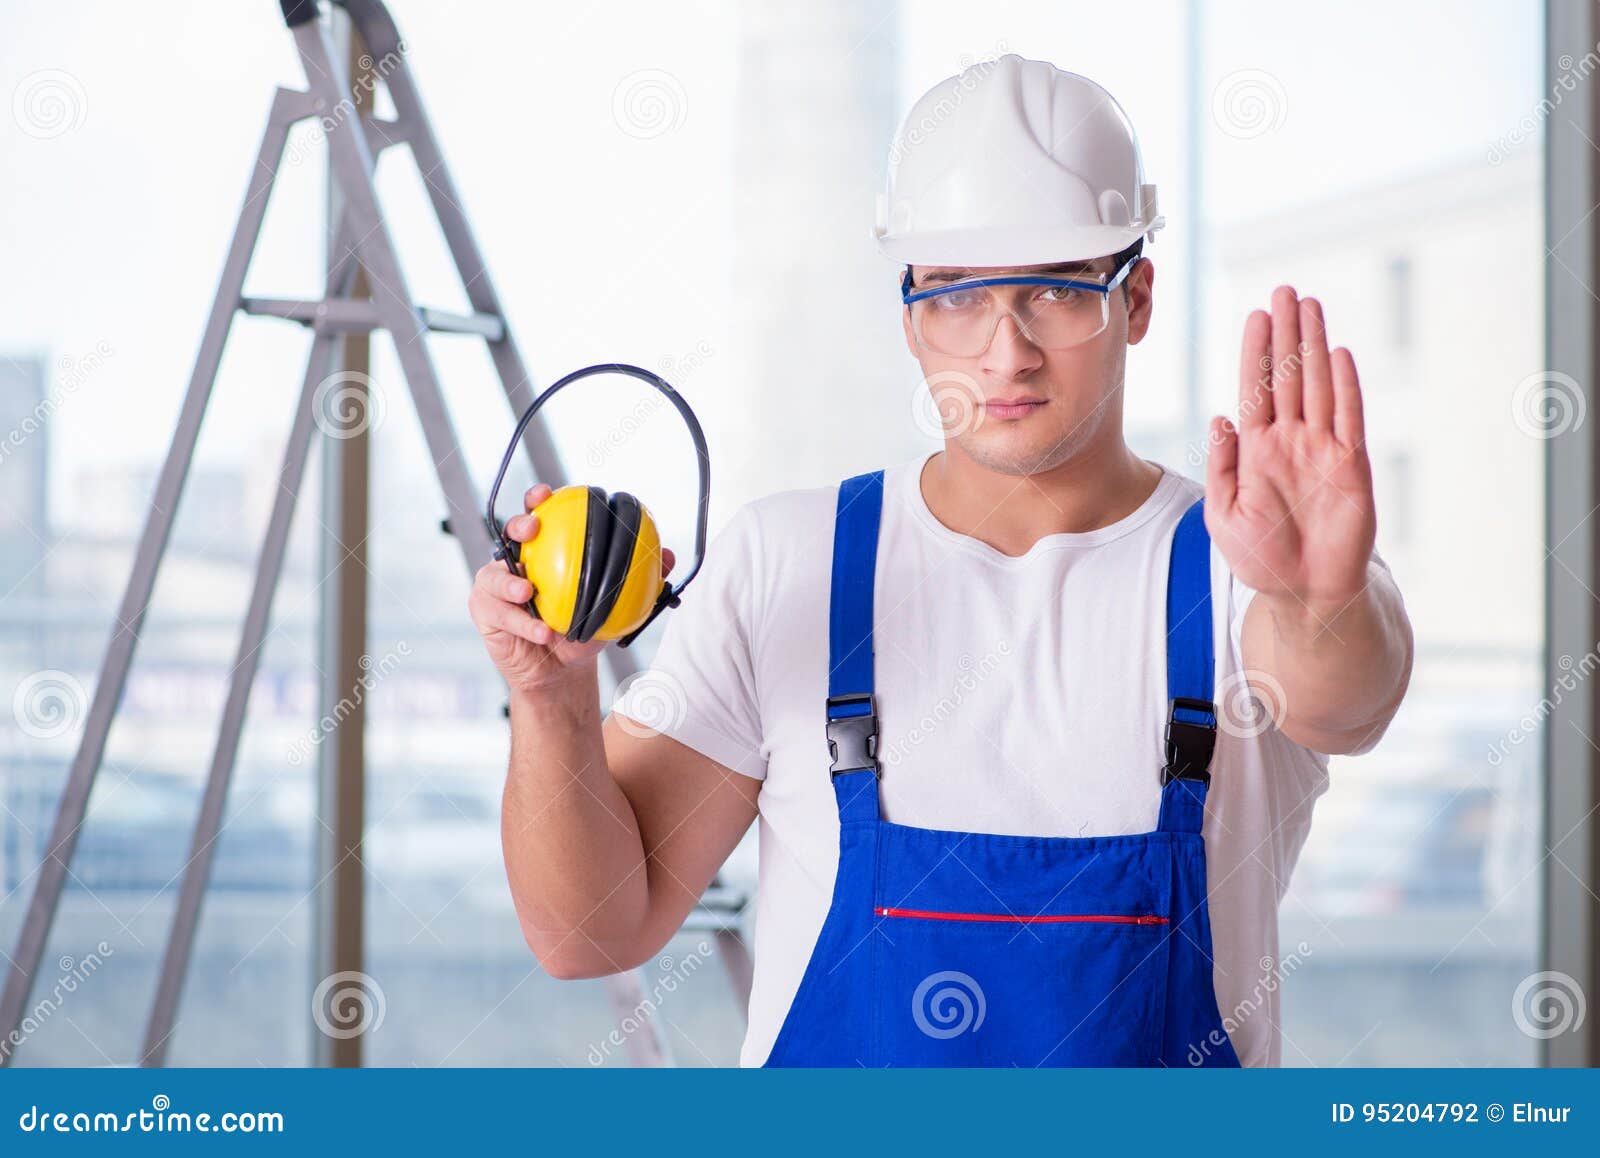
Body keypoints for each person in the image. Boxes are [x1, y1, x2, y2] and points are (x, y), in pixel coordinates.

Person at [468, 55, 1413, 1067]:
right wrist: (553, 702)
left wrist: (1317, 595)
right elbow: (587, 933)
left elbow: (1342, 701)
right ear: (910, 311)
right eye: (959, 296)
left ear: (1134, 298)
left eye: (1053, 289)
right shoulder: (792, 562)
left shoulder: (1246, 567)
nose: (1005, 353)